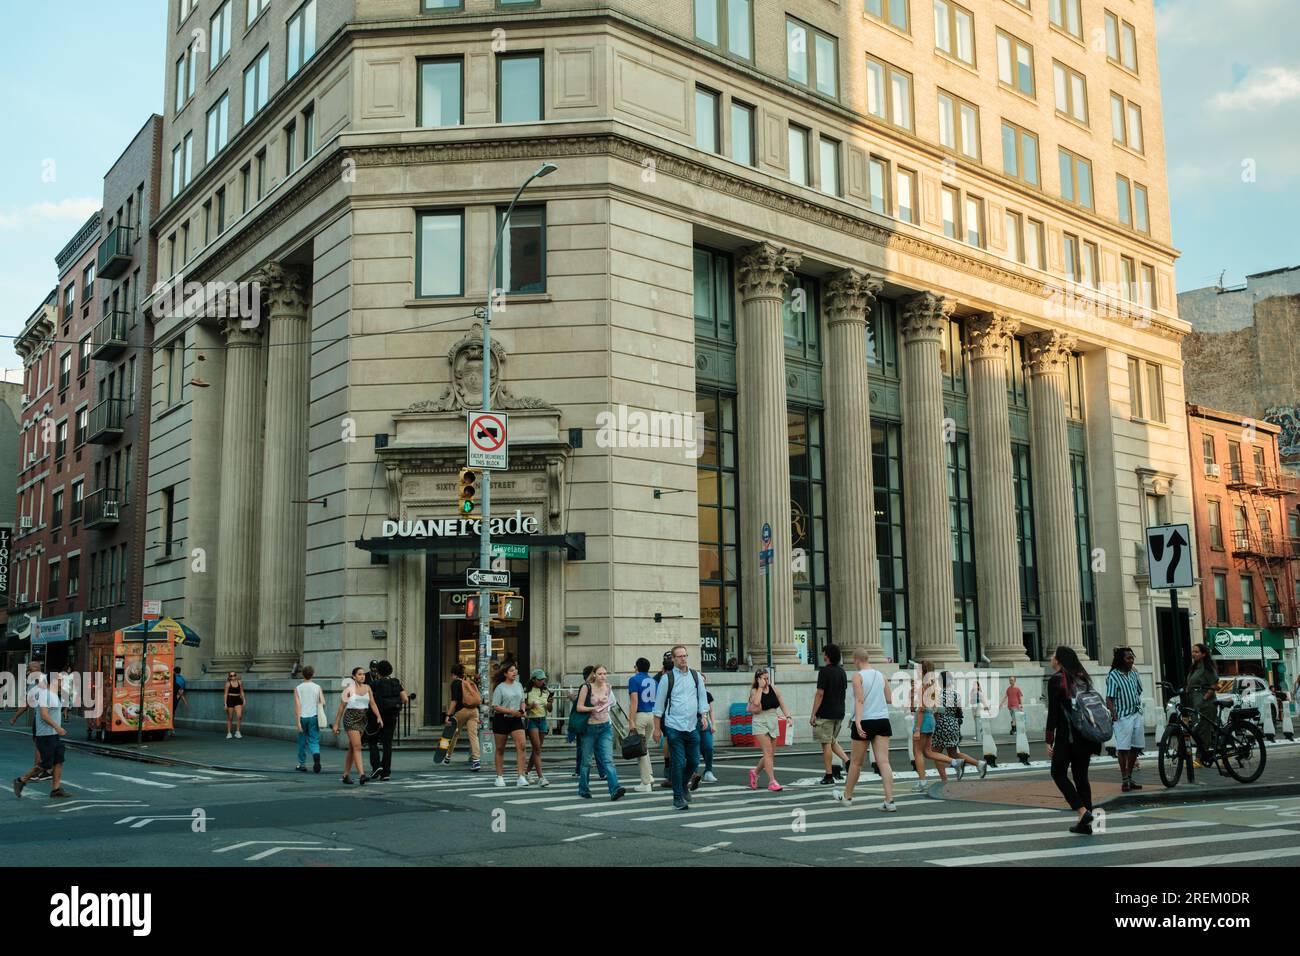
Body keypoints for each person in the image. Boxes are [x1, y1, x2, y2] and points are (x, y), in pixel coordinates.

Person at [1045, 645, 1100, 834]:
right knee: (1081, 776)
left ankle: (1082, 811)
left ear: (1059, 660)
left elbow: (1053, 713)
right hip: (1086, 735)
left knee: (1057, 772)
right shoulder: (1082, 677)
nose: (1051, 658)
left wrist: (1048, 739)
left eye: (1053, 656)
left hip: (1067, 736)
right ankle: (1086, 823)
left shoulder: (1056, 680)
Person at [833, 646, 896, 811]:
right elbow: (889, 699)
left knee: (856, 763)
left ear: (856, 660)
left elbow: (859, 700)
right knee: (884, 761)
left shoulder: (857, 676)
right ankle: (889, 801)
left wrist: (857, 722)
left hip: (866, 720)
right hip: (882, 719)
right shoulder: (881, 675)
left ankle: (847, 796)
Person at [652, 645, 710, 811]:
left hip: (692, 725)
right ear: (674, 659)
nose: (683, 659)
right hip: (673, 726)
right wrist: (657, 729)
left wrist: (704, 716)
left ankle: (684, 784)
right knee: (677, 762)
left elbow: (702, 697)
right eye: (680, 656)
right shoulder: (667, 678)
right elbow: (659, 706)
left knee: (693, 761)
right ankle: (677, 797)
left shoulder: (695, 676)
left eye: (685, 655)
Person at [13, 668, 70, 799]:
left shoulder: (54, 694)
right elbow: (44, 715)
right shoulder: (45, 694)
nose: (62, 683)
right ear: (54, 681)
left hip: (53, 734)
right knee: (46, 765)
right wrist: (58, 727)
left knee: (59, 761)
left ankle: (56, 790)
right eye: (60, 681)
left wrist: (57, 729)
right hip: (45, 735)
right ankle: (20, 780)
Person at [573, 665, 626, 801]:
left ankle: (615, 789)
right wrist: (593, 708)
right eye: (600, 673)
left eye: (605, 673)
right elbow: (579, 707)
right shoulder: (586, 687)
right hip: (589, 728)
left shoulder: (607, 687)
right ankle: (583, 789)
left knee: (608, 760)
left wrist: (605, 703)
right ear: (594, 675)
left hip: (605, 727)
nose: (603, 676)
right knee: (586, 761)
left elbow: (612, 703)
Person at [910, 660, 957, 791]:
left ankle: (922, 781)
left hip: (923, 720)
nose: (916, 671)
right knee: (928, 752)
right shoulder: (934, 685)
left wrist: (917, 729)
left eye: (918, 669)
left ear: (923, 670)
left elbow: (920, 709)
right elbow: (936, 707)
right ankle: (954, 761)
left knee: (917, 752)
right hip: (931, 719)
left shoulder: (922, 686)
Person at [933, 670, 987, 781]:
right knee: (953, 753)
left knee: (935, 753)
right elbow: (959, 713)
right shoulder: (956, 695)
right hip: (954, 724)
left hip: (942, 725)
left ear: (941, 681)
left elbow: (937, 713)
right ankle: (978, 764)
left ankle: (944, 780)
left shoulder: (938, 695)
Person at [332, 667, 382, 785]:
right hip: (351, 718)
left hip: (362, 719)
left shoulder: (368, 688)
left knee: (352, 748)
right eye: (359, 674)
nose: (362, 676)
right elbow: (341, 707)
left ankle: (345, 775)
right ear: (354, 676)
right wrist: (336, 724)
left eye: (363, 674)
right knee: (357, 746)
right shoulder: (348, 690)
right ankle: (362, 775)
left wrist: (379, 716)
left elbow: (373, 704)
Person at [810, 643, 851, 784]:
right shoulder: (842, 672)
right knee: (832, 740)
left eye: (824, 653)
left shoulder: (824, 671)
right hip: (839, 711)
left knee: (826, 743)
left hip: (826, 712)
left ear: (827, 656)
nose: (823, 656)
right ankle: (847, 761)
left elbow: (820, 694)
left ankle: (828, 775)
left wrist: (813, 713)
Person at [1105, 647, 1144, 791]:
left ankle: (1130, 776)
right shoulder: (1113, 676)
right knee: (1123, 749)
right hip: (1122, 716)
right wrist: (1113, 713)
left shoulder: (1134, 674)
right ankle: (1124, 779)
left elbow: (1139, 690)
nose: (1131, 660)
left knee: (1135, 747)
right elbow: (1109, 698)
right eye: (1128, 658)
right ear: (1121, 660)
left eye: (1132, 657)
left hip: (1136, 713)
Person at [747, 667, 791, 792]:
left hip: (773, 720)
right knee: (767, 751)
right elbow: (755, 703)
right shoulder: (754, 690)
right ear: (758, 679)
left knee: (771, 754)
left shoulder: (774, 689)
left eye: (767, 678)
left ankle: (755, 772)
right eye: (764, 678)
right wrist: (760, 688)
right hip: (760, 721)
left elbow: (782, 703)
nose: (767, 680)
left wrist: (788, 716)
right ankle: (772, 781)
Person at [367, 660, 408, 781]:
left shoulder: (375, 684)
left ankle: (376, 766)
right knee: (387, 744)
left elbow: (370, 701)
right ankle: (386, 772)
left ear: (378, 671)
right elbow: (405, 699)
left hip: (377, 717)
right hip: (392, 716)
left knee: (372, 741)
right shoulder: (396, 682)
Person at [491, 662, 530, 788]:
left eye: (515, 670)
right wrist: (511, 711)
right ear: (505, 673)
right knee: (500, 749)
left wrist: (523, 710)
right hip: (501, 719)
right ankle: (499, 777)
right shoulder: (500, 688)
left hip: (516, 719)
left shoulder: (518, 685)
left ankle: (521, 776)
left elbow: (522, 701)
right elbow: (495, 706)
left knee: (522, 745)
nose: (515, 672)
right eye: (511, 670)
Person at [442, 662, 482, 771]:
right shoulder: (468, 683)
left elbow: (454, 701)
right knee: (473, 736)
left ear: (453, 674)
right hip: (474, 711)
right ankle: (476, 761)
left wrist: (448, 715)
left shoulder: (455, 683)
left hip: (462, 711)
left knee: (453, 734)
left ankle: (447, 757)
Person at [1184, 643, 1219, 766]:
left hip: (1206, 704)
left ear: (1204, 654)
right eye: (1193, 652)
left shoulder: (1207, 667)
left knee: (1203, 730)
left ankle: (1199, 759)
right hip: (1195, 703)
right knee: (1199, 731)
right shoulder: (1194, 667)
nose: (1194, 654)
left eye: (1197, 652)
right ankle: (1216, 753)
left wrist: (1204, 698)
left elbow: (1214, 684)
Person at [627, 657, 658, 793]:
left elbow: (634, 701)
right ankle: (649, 775)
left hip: (640, 715)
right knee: (644, 748)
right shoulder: (654, 681)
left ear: (636, 667)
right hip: (652, 714)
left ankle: (646, 781)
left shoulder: (633, 680)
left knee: (640, 750)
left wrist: (631, 720)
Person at [294, 665, 327, 773]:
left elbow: (298, 706)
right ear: (313, 674)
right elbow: (323, 702)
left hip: (303, 717)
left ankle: (302, 764)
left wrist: (298, 721)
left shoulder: (298, 688)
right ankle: (316, 755)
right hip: (314, 717)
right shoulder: (317, 687)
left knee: (302, 741)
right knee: (314, 740)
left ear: (303, 674)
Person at [524, 668, 552, 788]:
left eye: (543, 679)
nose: (542, 681)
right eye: (539, 679)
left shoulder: (546, 691)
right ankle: (541, 777)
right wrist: (530, 706)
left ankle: (527, 772)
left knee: (537, 749)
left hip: (543, 720)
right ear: (533, 679)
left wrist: (550, 703)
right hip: (532, 720)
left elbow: (550, 709)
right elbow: (523, 707)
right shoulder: (527, 691)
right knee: (537, 748)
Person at [700, 689, 717, 783]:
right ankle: (693, 773)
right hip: (692, 723)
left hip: (705, 723)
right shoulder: (689, 693)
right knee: (694, 749)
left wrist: (713, 724)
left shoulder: (707, 694)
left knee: (709, 747)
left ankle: (708, 771)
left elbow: (711, 711)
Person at [224, 671, 246, 739]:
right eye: (231, 676)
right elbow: (225, 694)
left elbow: (242, 691)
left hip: (238, 699)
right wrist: (225, 704)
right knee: (230, 717)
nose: (233, 677)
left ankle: (237, 732)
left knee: (239, 716)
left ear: (236, 675)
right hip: (230, 699)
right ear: (229, 677)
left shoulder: (239, 682)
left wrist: (244, 699)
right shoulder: (228, 684)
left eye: (234, 675)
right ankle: (229, 733)